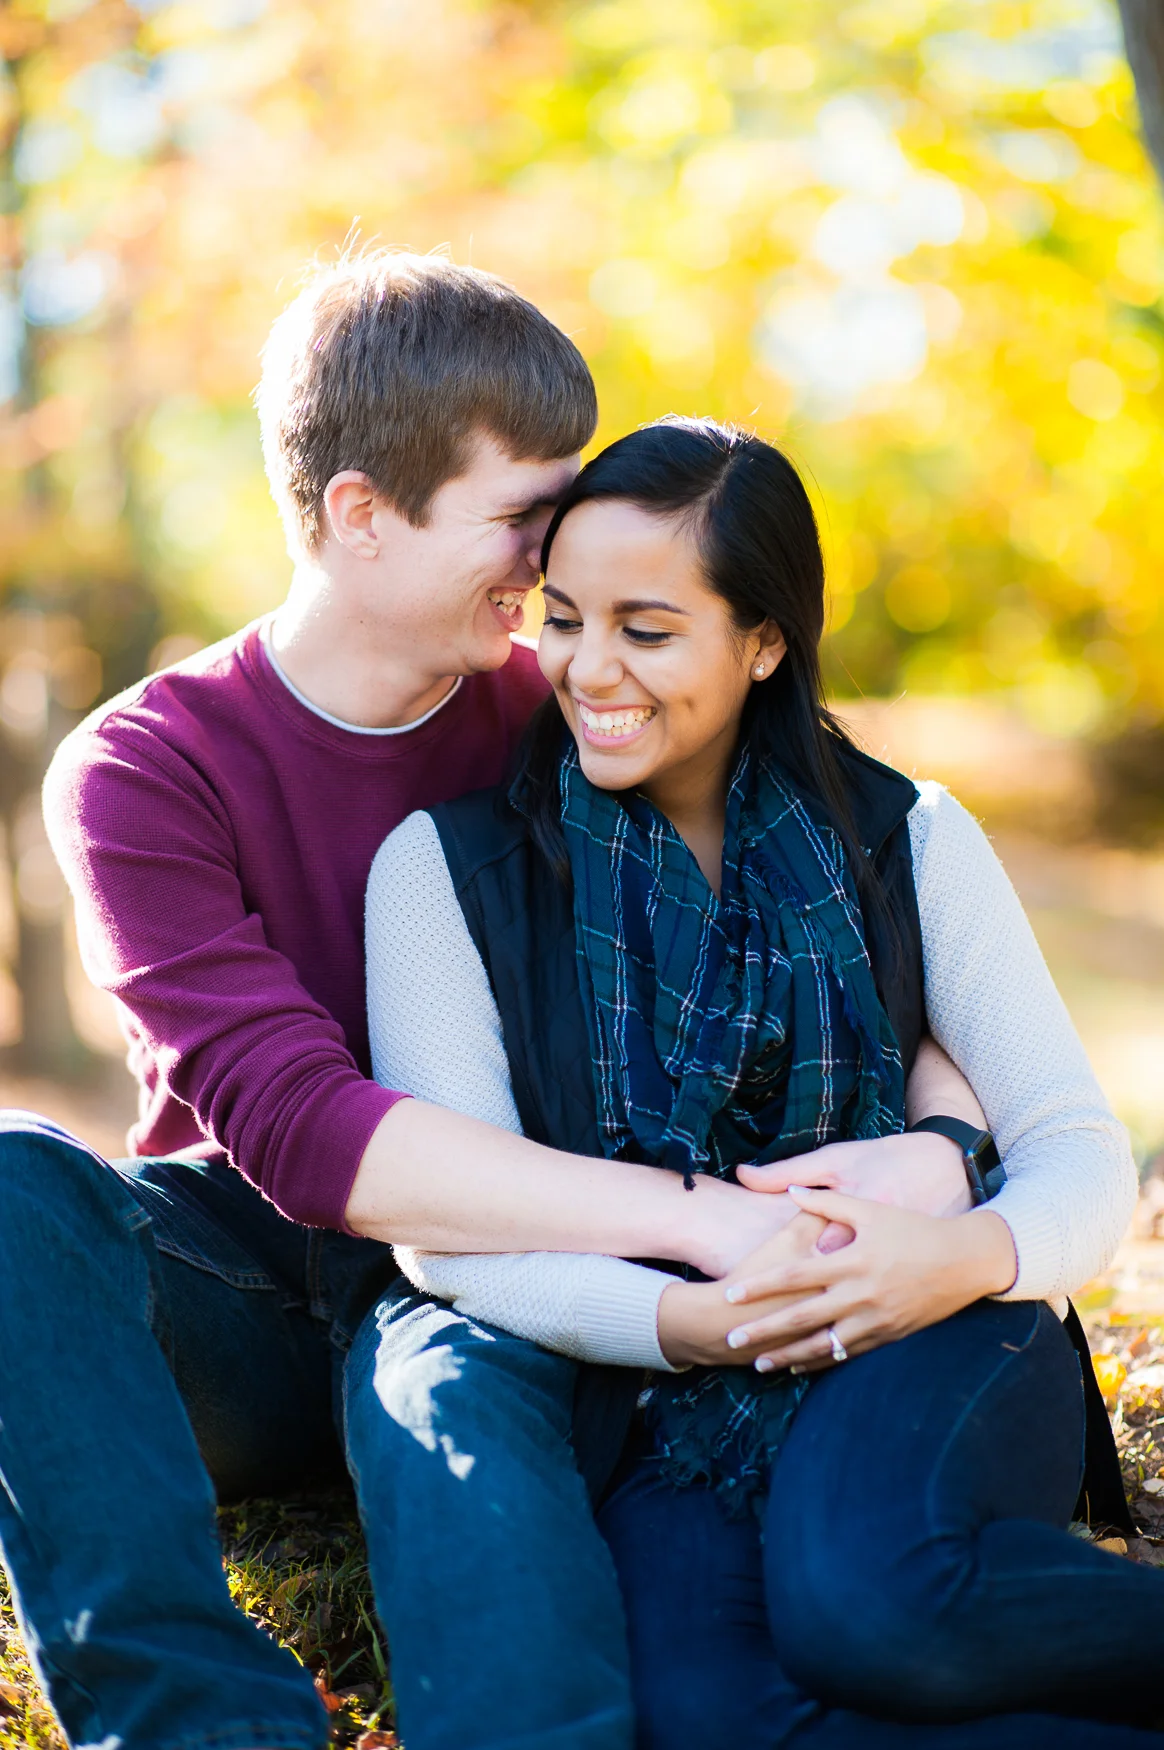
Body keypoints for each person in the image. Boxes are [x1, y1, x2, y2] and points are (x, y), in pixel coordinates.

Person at [0, 251, 980, 1750]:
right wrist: (695, 1216)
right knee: (13, 1184)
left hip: (514, 1266)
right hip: (256, 1273)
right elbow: (299, 1127)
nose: (554, 559)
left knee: (450, 1362)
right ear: (360, 515)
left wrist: (942, 1138)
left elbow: (841, 925)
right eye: (522, 514)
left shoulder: (566, 709)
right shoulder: (146, 765)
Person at [365, 417, 1160, 1748]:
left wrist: (959, 1256)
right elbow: (458, 1243)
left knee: (871, 1605)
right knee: (713, 1716)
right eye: (563, 617)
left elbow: (1080, 1143)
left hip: (940, 1327)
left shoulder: (908, 836)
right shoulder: (447, 873)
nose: (588, 667)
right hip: (672, 1392)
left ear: (765, 641)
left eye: (649, 628)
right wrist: (697, 1327)